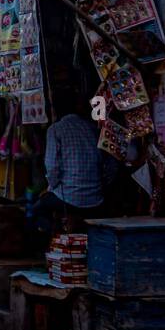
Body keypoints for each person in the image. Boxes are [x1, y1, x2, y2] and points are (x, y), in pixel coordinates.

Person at [31, 101, 105, 237]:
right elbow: (108, 164)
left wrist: (51, 188)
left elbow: (52, 167)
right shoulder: (93, 128)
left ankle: (53, 240)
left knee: (35, 210)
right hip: (95, 198)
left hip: (69, 198)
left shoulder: (55, 129)